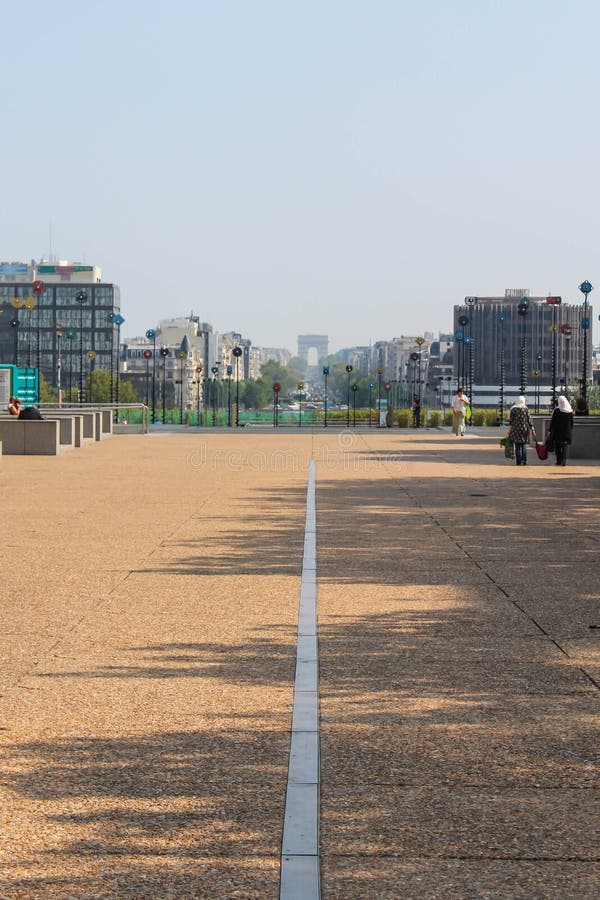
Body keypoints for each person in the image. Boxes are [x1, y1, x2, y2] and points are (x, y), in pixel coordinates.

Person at [508, 395, 536, 466]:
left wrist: (509, 431)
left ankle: (518, 462)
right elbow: (529, 420)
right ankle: (524, 460)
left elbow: (511, 422)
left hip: (516, 430)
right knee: (523, 445)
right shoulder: (526, 409)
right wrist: (532, 429)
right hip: (524, 430)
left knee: (517, 446)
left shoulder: (513, 409)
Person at [547, 395, 574, 466]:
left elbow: (553, 422)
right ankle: (564, 461)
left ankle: (558, 460)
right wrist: (570, 429)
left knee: (558, 446)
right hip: (567, 432)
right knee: (565, 446)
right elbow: (571, 422)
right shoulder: (569, 410)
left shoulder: (557, 410)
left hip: (558, 432)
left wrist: (549, 431)